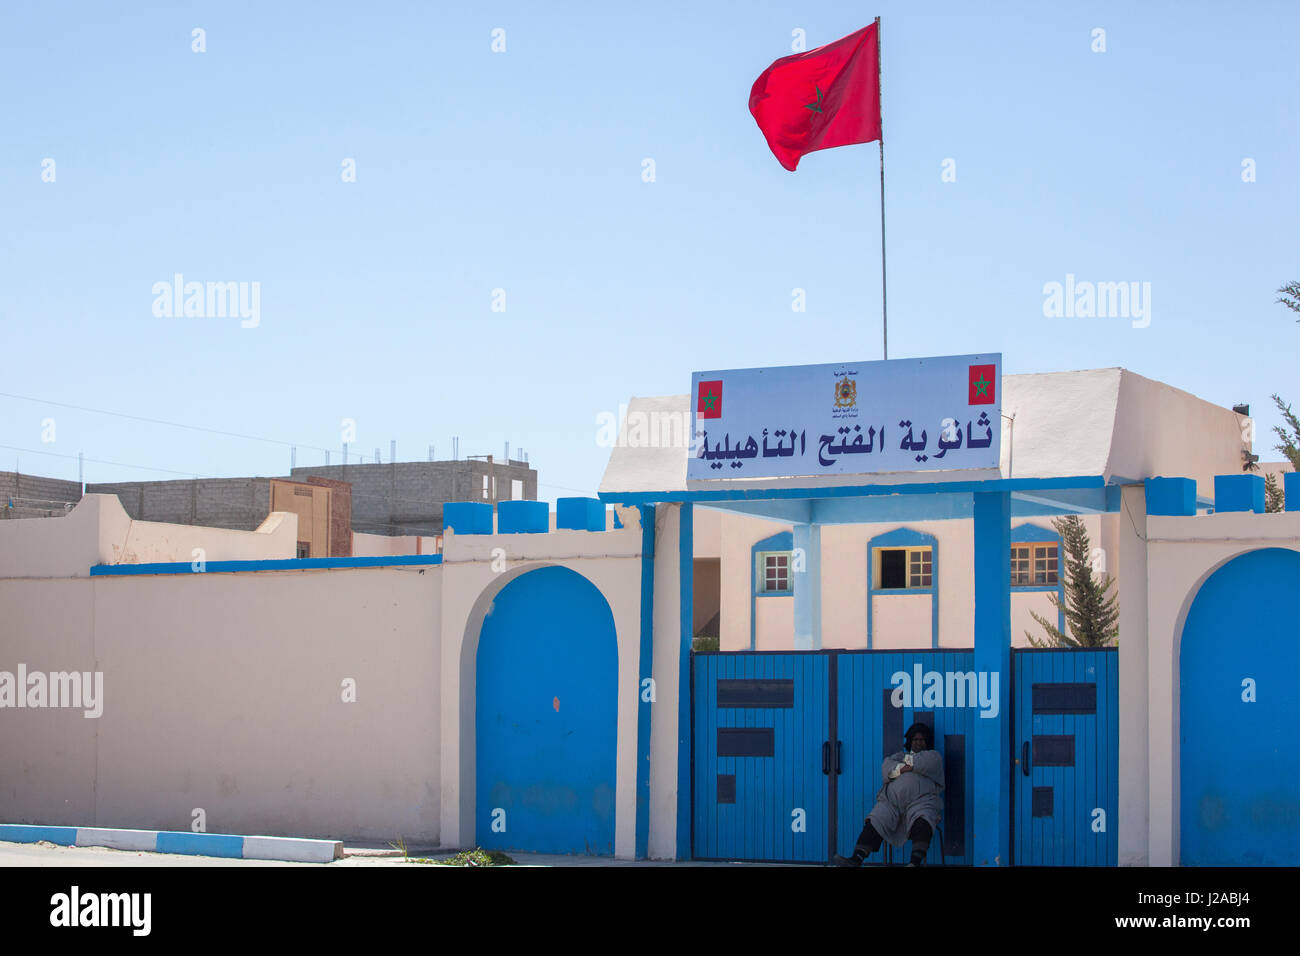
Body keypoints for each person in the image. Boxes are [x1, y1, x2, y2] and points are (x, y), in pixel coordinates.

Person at [833, 722, 943, 866]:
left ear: (927, 741)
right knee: (876, 818)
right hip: (892, 804)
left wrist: (901, 768)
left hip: (921, 802)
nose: (918, 743)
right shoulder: (899, 755)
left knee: (924, 818)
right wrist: (906, 767)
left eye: (922, 740)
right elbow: (887, 770)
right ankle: (856, 859)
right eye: (915, 740)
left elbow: (921, 763)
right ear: (910, 741)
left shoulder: (933, 756)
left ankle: (914, 863)